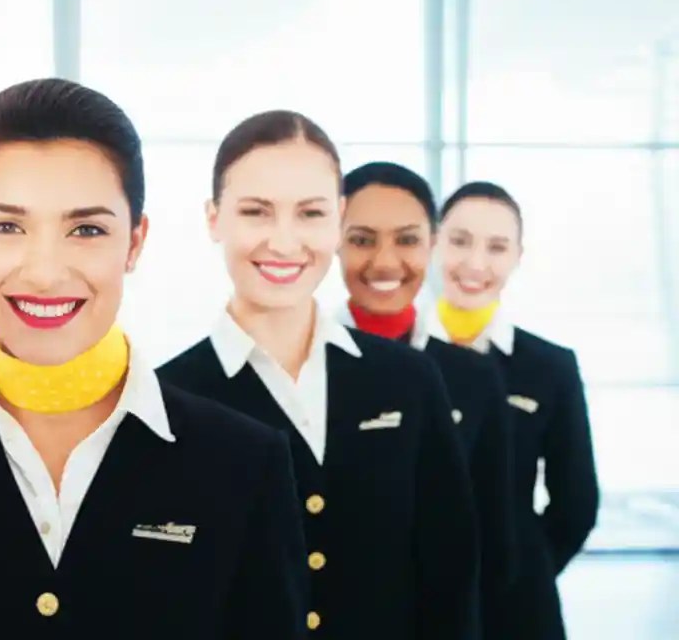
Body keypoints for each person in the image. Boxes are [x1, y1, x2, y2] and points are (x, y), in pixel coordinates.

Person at [0, 78, 310, 639]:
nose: (45, 271)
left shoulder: (244, 463)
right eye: (7, 226)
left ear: (136, 242)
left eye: (86, 229)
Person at [157, 111, 479, 639]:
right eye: (257, 212)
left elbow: (451, 571)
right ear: (214, 219)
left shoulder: (408, 380)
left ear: (339, 218)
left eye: (310, 213)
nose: (284, 243)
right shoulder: (168, 400)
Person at [337, 161, 517, 637]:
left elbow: (493, 540)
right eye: (360, 239)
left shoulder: (474, 376)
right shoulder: (297, 363)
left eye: (408, 239)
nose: (385, 262)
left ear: (433, 245)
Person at [435, 181, 599, 640]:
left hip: (519, 610)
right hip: (413, 600)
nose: (475, 263)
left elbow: (577, 503)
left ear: (517, 257)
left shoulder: (549, 366)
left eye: (497, 247)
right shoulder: (397, 359)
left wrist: (526, 568)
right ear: (434, 241)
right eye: (460, 241)